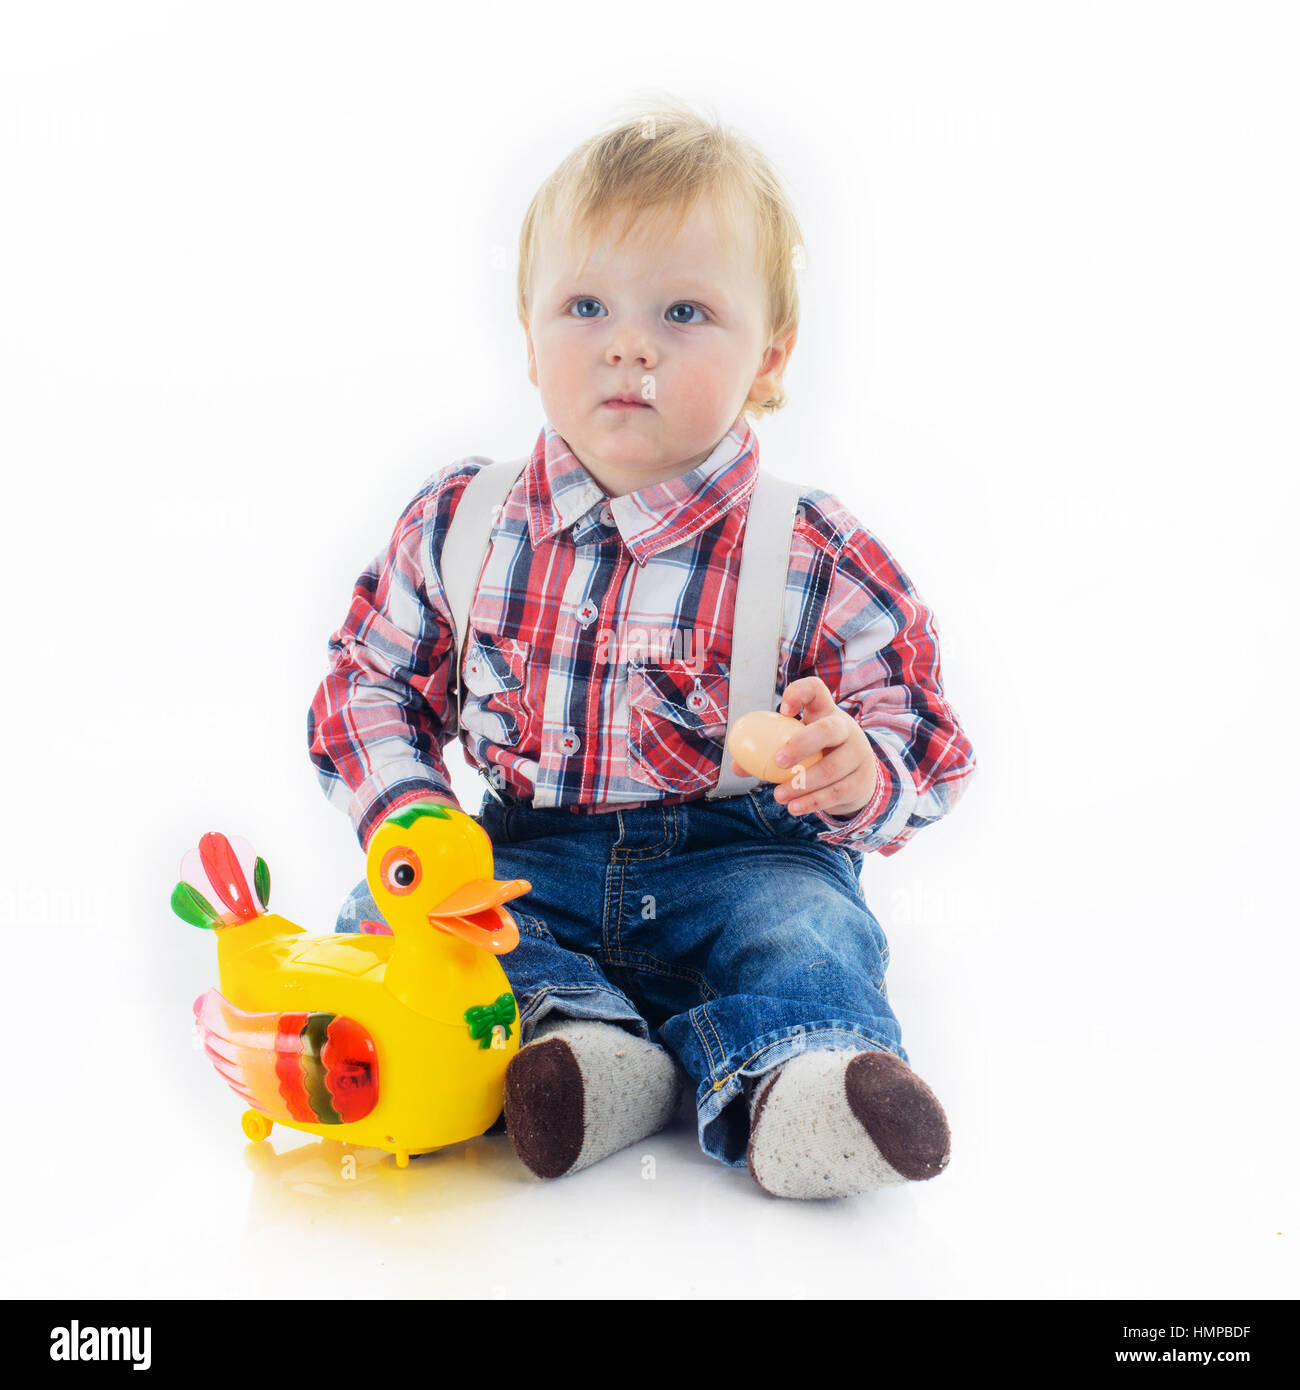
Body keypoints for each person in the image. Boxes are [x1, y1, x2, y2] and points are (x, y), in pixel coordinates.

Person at [308, 99, 976, 1199]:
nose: (628, 344)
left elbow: (927, 738)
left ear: (769, 355)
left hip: (742, 864)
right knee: (386, 918)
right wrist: (413, 814)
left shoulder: (808, 546)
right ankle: (582, 1049)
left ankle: (803, 1076)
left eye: (682, 311)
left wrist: (860, 769)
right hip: (528, 860)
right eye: (585, 306)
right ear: (527, 336)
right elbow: (368, 680)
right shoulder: (464, 521)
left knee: (809, 927)